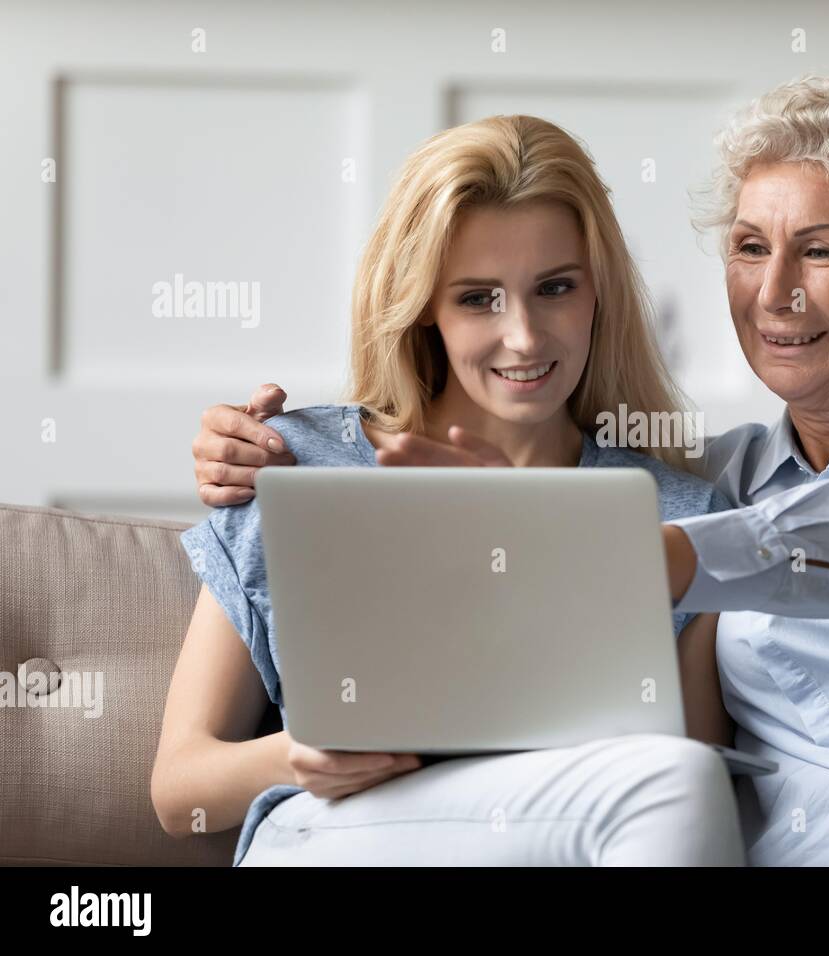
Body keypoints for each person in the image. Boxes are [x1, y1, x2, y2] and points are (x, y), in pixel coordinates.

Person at [189, 76, 829, 867]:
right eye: (748, 248)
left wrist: (638, 554)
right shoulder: (712, 476)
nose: (774, 293)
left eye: (819, 251)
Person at [151, 114, 747, 866]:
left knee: (683, 778)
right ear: (424, 306)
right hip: (331, 833)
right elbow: (178, 791)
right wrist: (299, 756)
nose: (525, 336)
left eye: (554, 288)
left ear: (600, 295)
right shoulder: (289, 465)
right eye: (478, 298)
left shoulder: (680, 518)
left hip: (552, 836)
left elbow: (688, 783)